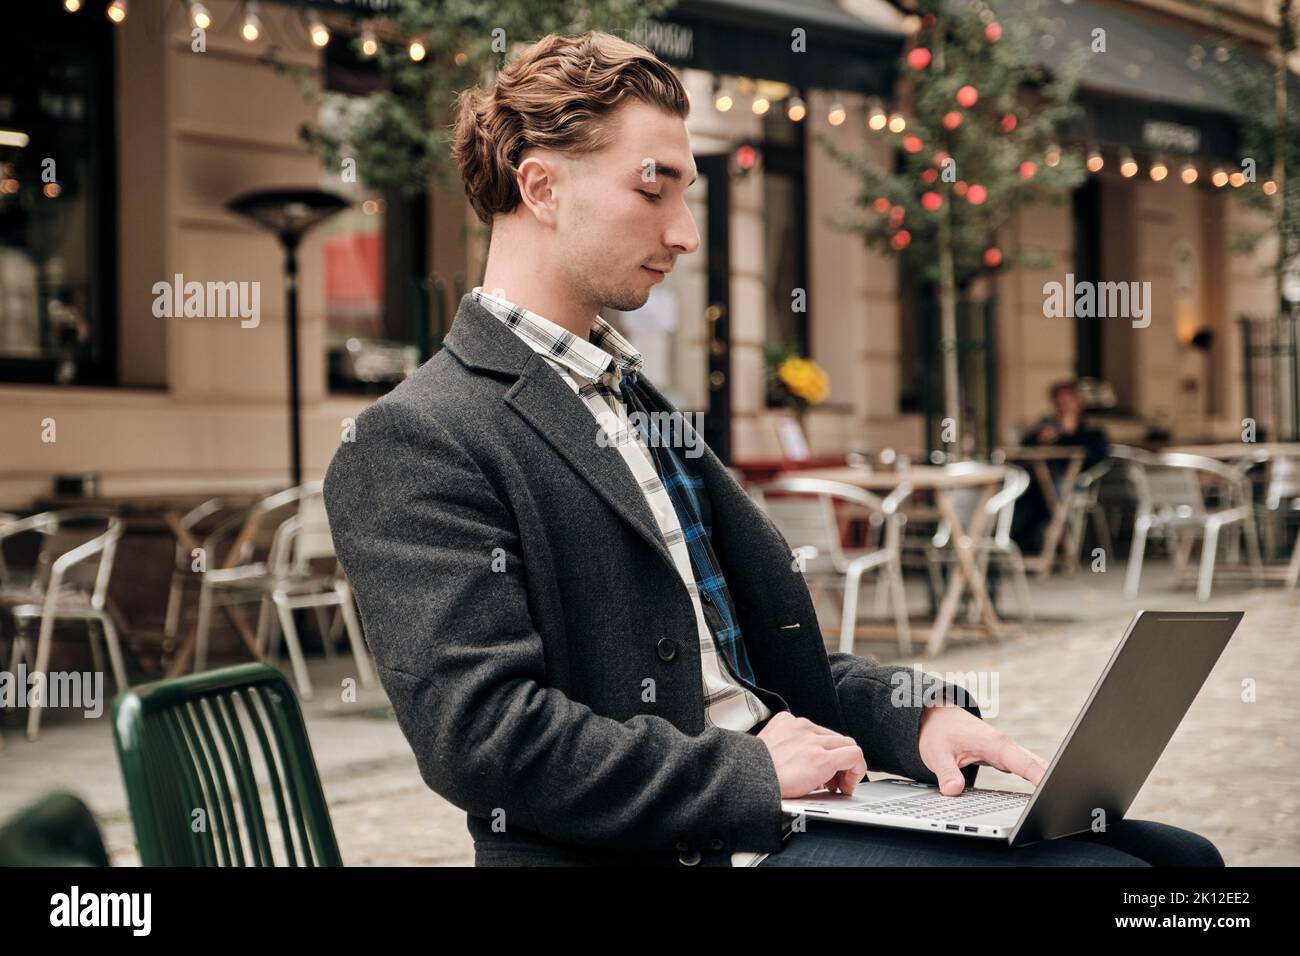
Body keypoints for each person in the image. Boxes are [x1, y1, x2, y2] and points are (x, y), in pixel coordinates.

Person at [322, 32, 1219, 868]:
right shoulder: (418, 437)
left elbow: (751, 667)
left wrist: (915, 717)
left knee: (1180, 859)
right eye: (653, 188)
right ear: (542, 186)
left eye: (686, 193)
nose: (683, 232)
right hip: (690, 845)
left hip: (793, 816)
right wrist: (746, 774)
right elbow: (483, 741)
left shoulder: (629, 397)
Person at [1011, 380, 1111, 556]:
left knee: (1054, 493)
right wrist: (1041, 439)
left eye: (1067, 401)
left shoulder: (1091, 432)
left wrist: (1068, 434)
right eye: (1059, 402)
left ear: (1078, 402)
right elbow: (1025, 448)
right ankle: (1025, 545)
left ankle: (1053, 548)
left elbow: (1094, 458)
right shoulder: (1046, 427)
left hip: (1077, 482)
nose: (1063, 406)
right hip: (1040, 481)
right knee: (1022, 492)